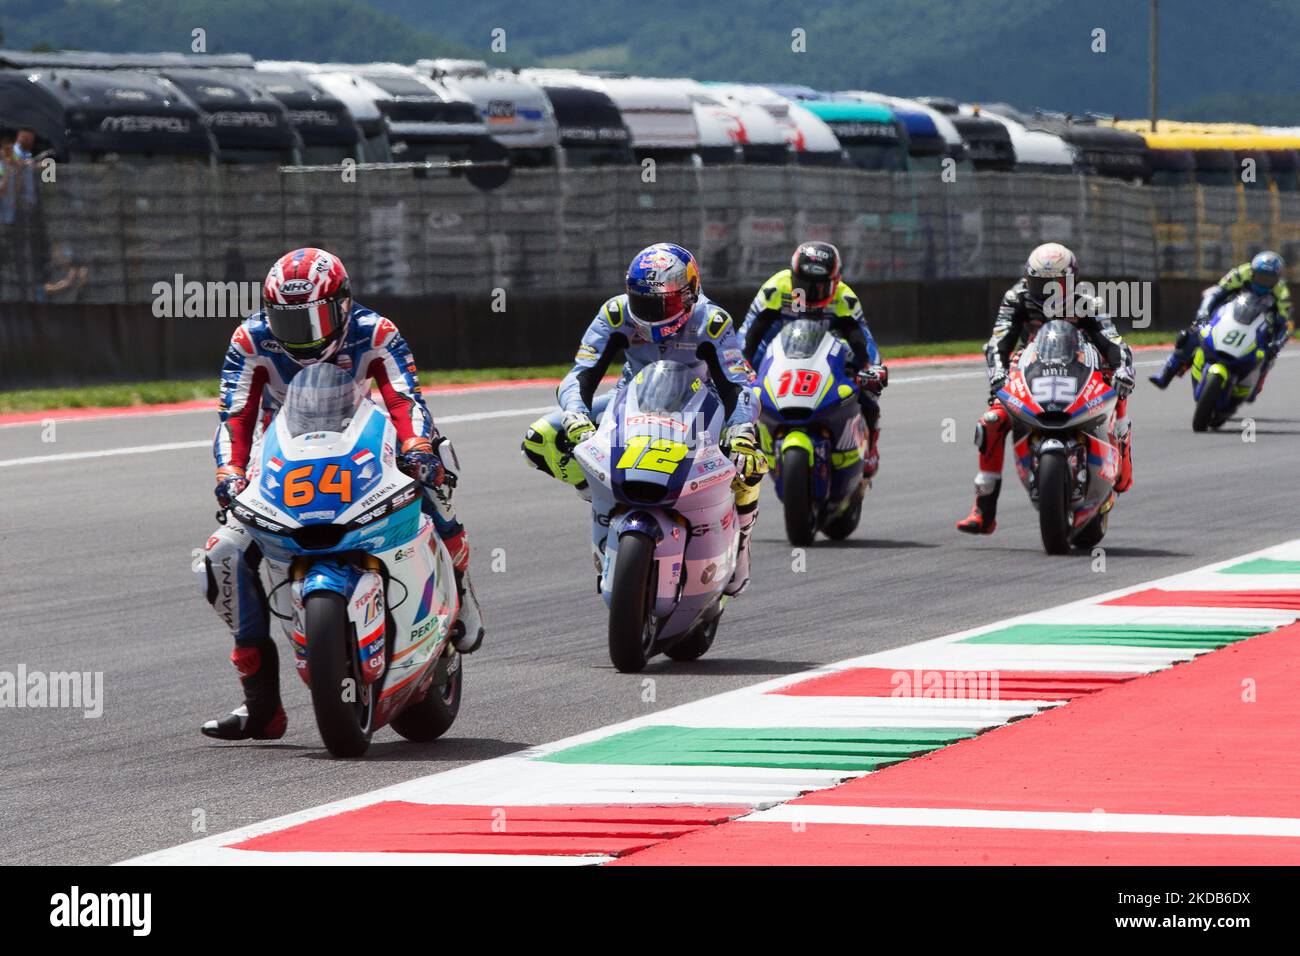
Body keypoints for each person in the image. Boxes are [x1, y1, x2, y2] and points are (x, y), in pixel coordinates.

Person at [198, 247, 485, 741]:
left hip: (368, 442)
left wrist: (417, 445)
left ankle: (463, 591)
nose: (304, 334)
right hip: (285, 458)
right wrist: (230, 471)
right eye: (290, 321)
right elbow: (236, 416)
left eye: (317, 318)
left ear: (344, 305)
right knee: (223, 555)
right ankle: (261, 707)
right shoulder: (250, 340)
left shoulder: (375, 331)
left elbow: (403, 396)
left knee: (436, 477)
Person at [522, 242, 766, 594]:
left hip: (699, 409)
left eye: (662, 304)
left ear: (690, 292)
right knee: (541, 437)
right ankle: (602, 498)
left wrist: (741, 429)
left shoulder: (711, 322)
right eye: (642, 301)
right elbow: (581, 374)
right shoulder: (616, 314)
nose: (651, 313)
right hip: (631, 403)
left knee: (749, 458)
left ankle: (741, 540)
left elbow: (738, 386)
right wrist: (575, 415)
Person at [956, 242, 1135, 535]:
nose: (1047, 291)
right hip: (1033, 368)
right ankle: (984, 508)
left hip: (1083, 366)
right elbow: (998, 342)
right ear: (1029, 279)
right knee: (990, 422)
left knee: (1118, 390)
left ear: (1071, 281)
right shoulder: (1016, 297)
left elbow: (1111, 341)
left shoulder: (1087, 301)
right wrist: (998, 374)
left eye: (1056, 284)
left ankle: (1123, 453)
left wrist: (1123, 369)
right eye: (1040, 283)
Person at [739, 241, 888, 480]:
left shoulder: (845, 298)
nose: (809, 293)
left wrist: (871, 367)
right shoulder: (776, 288)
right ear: (792, 275)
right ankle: (745, 445)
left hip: (829, 350)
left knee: (868, 389)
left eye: (818, 287)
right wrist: (743, 363)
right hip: (780, 347)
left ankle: (870, 447)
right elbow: (751, 331)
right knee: (742, 390)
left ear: (835, 281)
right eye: (803, 284)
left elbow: (862, 337)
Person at [1149, 250, 1293, 398]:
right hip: (1230, 315)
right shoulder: (1241, 273)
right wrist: (1203, 313)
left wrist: (1277, 342)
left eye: (1269, 279)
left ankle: (1256, 383)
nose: (1264, 282)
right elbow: (1216, 293)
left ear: (1277, 279)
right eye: (1261, 276)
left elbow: (1284, 322)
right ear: (1253, 272)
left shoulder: (1281, 292)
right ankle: (1166, 373)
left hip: (1259, 326)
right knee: (1192, 334)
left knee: (1268, 354)